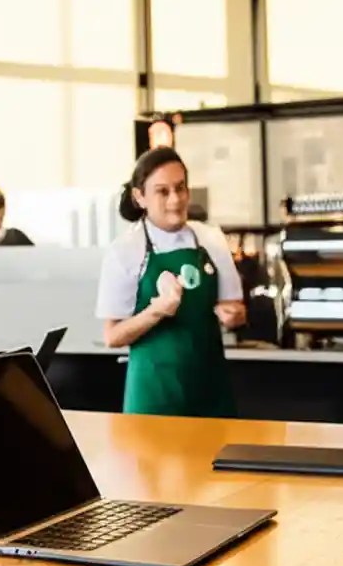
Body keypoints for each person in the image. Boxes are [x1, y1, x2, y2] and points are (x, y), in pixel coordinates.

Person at [95, 147, 246, 417]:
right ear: (139, 197)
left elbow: (235, 309)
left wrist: (233, 316)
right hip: (153, 397)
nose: (175, 199)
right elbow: (112, 336)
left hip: (209, 390)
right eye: (162, 191)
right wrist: (157, 311)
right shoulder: (125, 251)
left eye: (180, 188)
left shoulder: (211, 240)